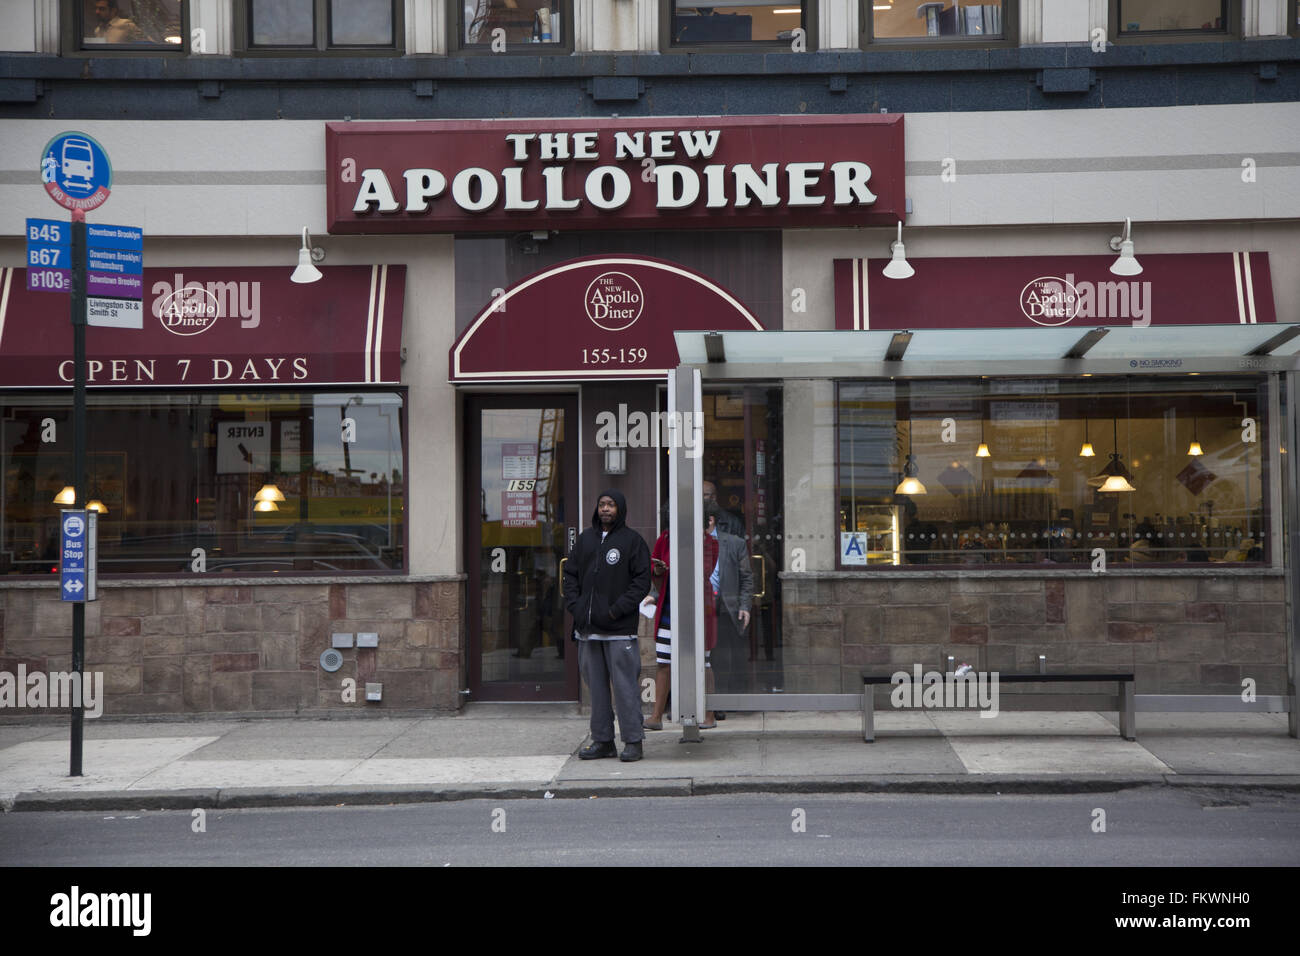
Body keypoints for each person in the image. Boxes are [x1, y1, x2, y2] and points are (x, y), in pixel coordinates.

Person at [563, 489, 651, 762]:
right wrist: (577, 609)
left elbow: (641, 582)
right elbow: (570, 575)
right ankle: (602, 741)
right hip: (588, 631)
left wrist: (615, 612)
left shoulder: (632, 542)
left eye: (611, 505)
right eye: (602, 504)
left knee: (625, 688)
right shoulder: (586, 540)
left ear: (620, 509)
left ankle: (633, 741)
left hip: (618, 630)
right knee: (597, 691)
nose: (605, 509)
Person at [644, 505, 719, 731]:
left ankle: (709, 714)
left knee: (703, 662)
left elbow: (704, 571)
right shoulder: (665, 538)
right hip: (669, 606)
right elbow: (653, 565)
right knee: (664, 661)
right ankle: (656, 716)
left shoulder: (709, 542)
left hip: (698, 607)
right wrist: (658, 569)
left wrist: (671, 566)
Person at [708, 504, 754, 695]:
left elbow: (746, 577)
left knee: (723, 657)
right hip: (699, 605)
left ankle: (721, 702)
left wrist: (745, 605)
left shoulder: (734, 543)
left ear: (712, 520)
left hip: (725, 606)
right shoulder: (689, 543)